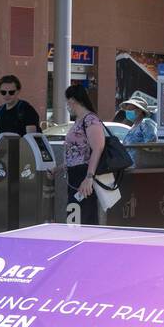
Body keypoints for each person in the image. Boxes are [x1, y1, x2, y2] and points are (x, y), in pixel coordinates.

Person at [63, 85, 106, 226]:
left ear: (73, 100)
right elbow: (75, 151)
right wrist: (58, 168)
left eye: (67, 101)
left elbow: (97, 149)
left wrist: (89, 177)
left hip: (84, 174)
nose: (67, 105)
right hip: (74, 175)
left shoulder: (90, 120)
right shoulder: (79, 120)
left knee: (82, 217)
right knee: (74, 216)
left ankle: (82, 246)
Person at [119, 95, 157, 165]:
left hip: (139, 166)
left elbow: (150, 145)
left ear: (139, 110)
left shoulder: (146, 123)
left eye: (130, 109)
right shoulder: (134, 126)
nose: (127, 112)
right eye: (126, 110)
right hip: (130, 165)